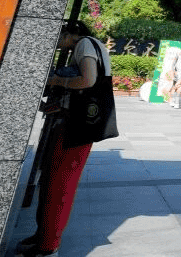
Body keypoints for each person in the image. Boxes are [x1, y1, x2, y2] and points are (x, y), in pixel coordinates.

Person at [17, 20, 115, 257]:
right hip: (76, 124)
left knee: (59, 184)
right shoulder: (90, 45)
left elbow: (88, 80)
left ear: (72, 34)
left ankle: (48, 245)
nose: (57, 43)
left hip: (76, 126)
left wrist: (56, 80)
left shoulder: (84, 45)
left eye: (60, 37)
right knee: (52, 181)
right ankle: (43, 235)